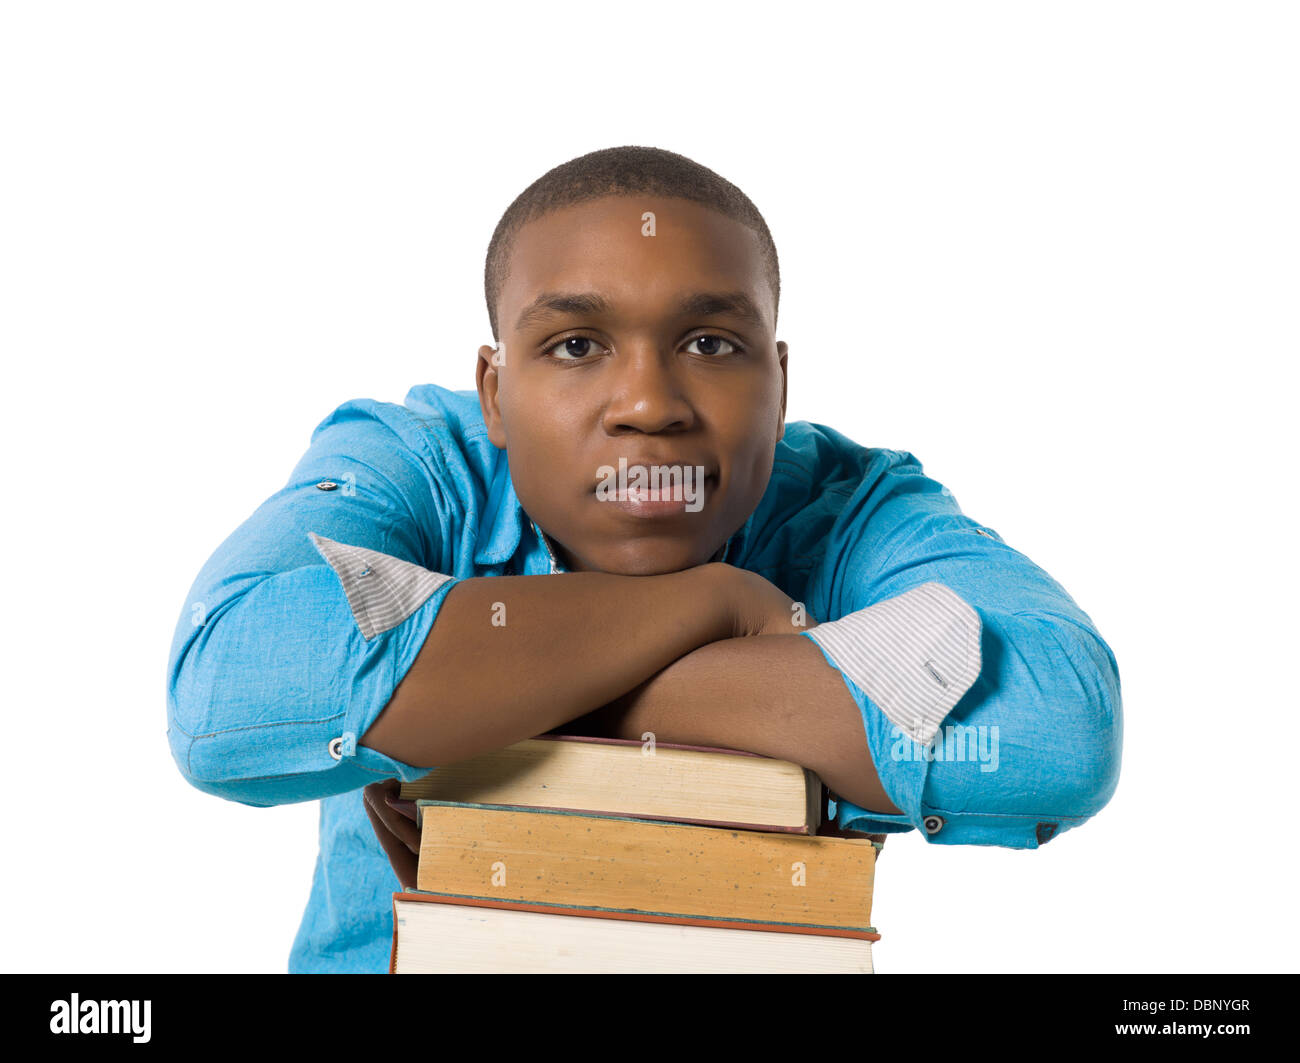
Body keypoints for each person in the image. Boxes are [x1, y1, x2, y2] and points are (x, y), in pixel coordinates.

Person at [165, 145, 1123, 974]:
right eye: (577, 344)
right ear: (495, 393)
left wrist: (500, 701)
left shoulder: (853, 507)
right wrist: (714, 608)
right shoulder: (417, 464)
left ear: (779, 384)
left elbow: (1056, 728)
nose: (648, 402)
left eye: (709, 342)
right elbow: (227, 690)